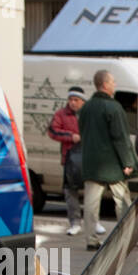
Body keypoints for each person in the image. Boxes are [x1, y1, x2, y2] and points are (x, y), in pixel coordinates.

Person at [79, 69, 138, 251]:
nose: (115, 85)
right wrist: (128, 162)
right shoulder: (113, 107)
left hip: (91, 163)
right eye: (112, 82)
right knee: (122, 202)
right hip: (113, 165)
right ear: (105, 85)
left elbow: (83, 132)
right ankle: (126, 237)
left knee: (90, 203)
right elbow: (120, 138)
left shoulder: (86, 107)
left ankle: (91, 238)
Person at [47, 86, 94, 236]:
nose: (73, 103)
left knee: (91, 191)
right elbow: (53, 131)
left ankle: (93, 222)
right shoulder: (61, 114)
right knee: (70, 191)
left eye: (76, 100)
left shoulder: (89, 114)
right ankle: (75, 222)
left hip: (87, 158)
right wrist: (70, 136)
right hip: (69, 159)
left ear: (83, 101)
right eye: (71, 99)